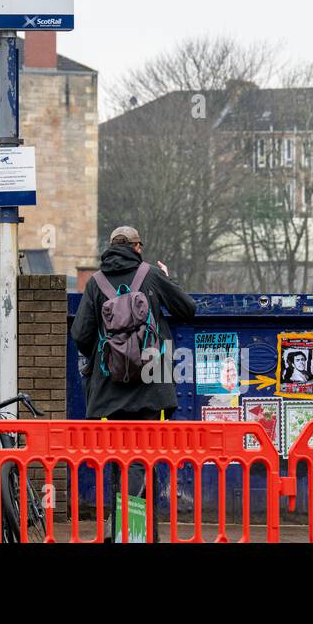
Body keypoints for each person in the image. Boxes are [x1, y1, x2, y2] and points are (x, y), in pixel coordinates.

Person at [70, 225, 197, 541]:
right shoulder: (152, 275)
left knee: (120, 460)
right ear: (137, 247)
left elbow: (80, 335)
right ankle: (136, 533)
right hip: (152, 386)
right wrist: (168, 278)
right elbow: (188, 308)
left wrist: (109, 361)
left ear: (111, 247)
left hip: (112, 391)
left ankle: (127, 529)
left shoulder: (96, 284)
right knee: (144, 459)